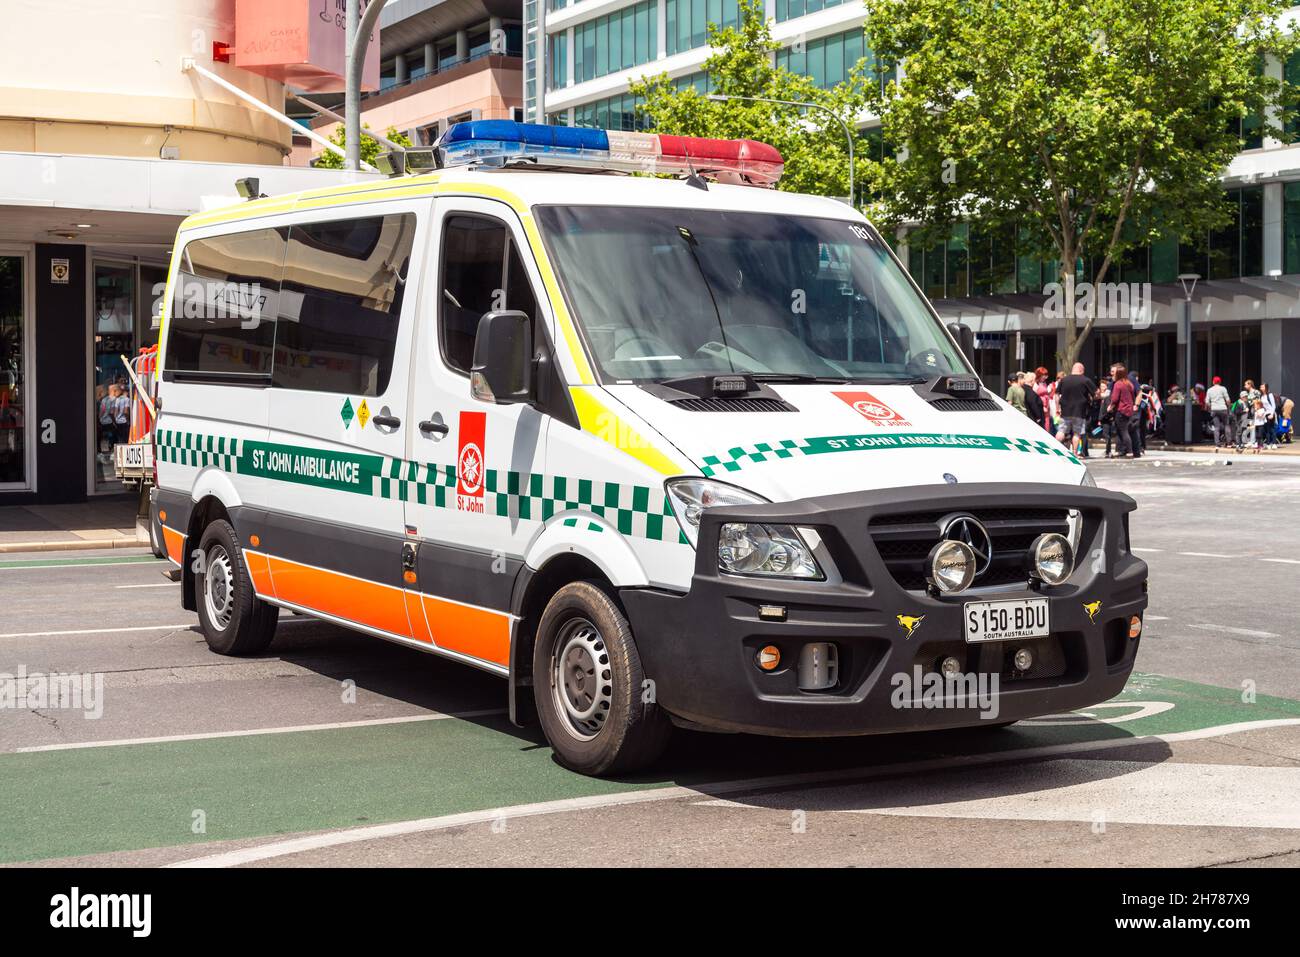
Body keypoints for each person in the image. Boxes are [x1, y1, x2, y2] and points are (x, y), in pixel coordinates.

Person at [1056, 362, 1096, 456]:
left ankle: (1056, 449)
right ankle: (1074, 453)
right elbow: (1096, 393)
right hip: (1079, 411)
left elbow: (1057, 395)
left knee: (1061, 430)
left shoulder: (1064, 380)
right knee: (1076, 433)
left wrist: (1058, 408)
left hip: (1065, 411)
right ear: (1081, 370)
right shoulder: (1085, 380)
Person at [1107, 363, 1136, 457]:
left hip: (1121, 410)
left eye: (1114, 373)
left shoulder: (1118, 384)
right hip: (1129, 410)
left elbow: (1114, 399)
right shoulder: (1129, 384)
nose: (1113, 375)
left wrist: (1110, 406)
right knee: (1121, 430)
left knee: (1123, 431)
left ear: (1118, 374)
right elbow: (1132, 397)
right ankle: (1122, 450)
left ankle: (1129, 451)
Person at [1206, 375, 1232, 450]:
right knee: (1227, 425)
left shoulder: (1209, 390)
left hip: (1214, 409)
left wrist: (1210, 408)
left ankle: (1217, 444)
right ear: (1220, 382)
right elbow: (1227, 399)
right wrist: (1229, 407)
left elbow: (1207, 402)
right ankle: (1229, 443)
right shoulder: (1223, 389)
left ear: (1213, 382)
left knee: (1216, 427)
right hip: (1223, 409)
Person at [1260, 383, 1278, 450]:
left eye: (1262, 387)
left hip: (1271, 413)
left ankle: (1274, 443)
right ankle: (1268, 443)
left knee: (1272, 429)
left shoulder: (1269, 395)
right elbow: (1263, 406)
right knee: (1267, 429)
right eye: (1261, 387)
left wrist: (1272, 414)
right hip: (1266, 414)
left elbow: (1273, 405)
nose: (1261, 388)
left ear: (1266, 388)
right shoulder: (1262, 396)